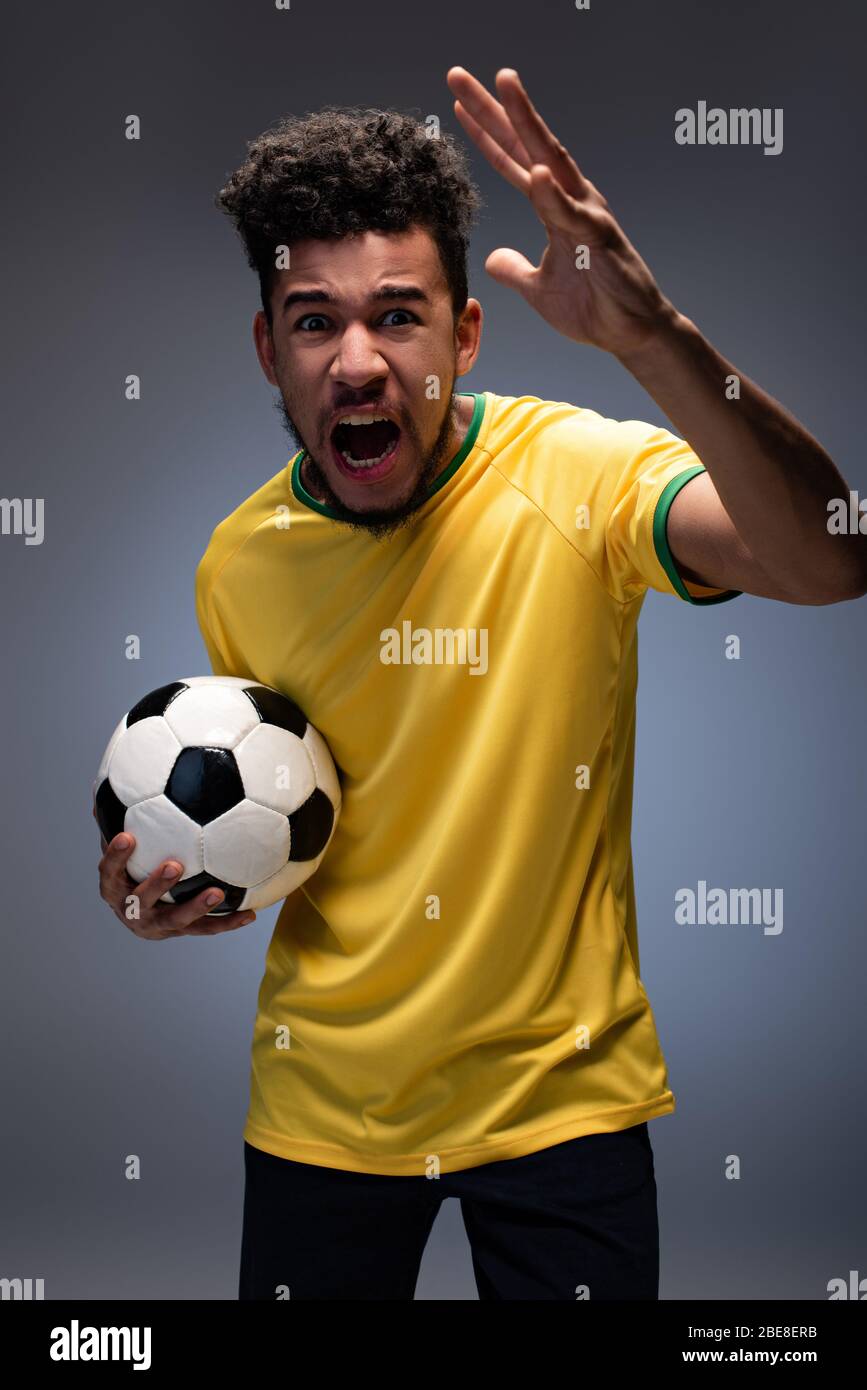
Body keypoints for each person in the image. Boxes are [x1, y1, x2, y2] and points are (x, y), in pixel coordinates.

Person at [97, 67, 866, 1300]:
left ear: (465, 333)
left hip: (566, 1109)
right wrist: (161, 891)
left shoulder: (579, 475)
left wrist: (654, 339)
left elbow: (833, 555)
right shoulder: (238, 563)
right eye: (312, 319)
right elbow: (266, 816)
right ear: (268, 349)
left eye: (399, 315)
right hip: (324, 1113)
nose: (356, 361)